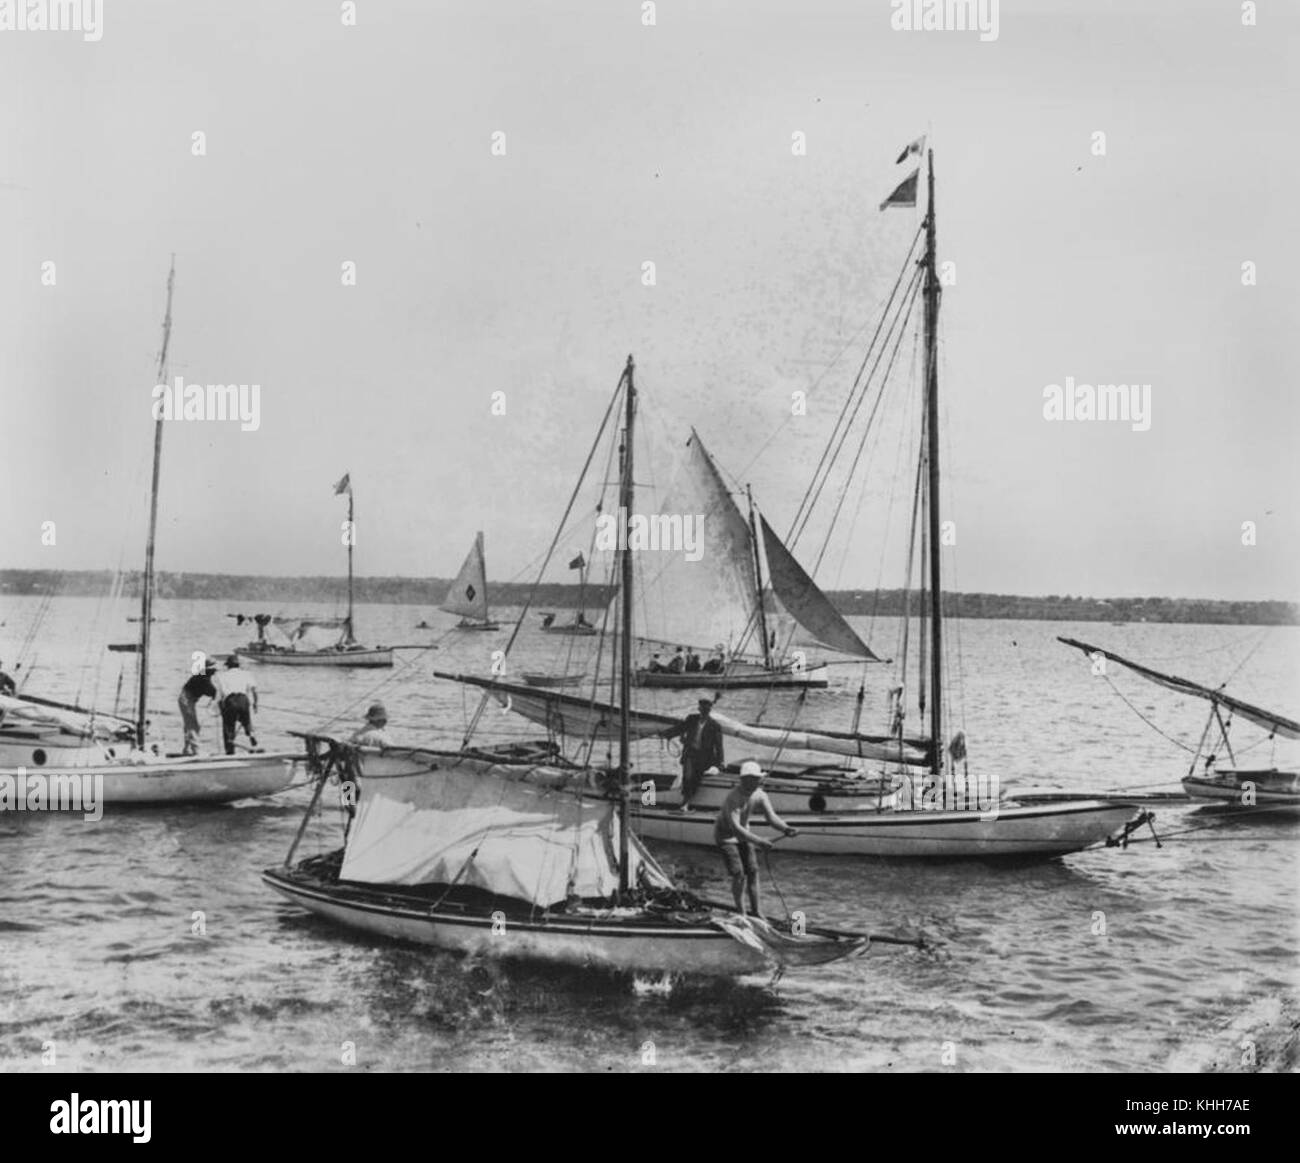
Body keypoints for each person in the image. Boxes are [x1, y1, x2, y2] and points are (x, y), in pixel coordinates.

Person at [713, 760, 798, 916]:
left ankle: (757, 912)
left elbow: (771, 817)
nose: (758, 781)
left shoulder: (760, 795)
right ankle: (742, 913)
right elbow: (736, 828)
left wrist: (786, 828)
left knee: (753, 872)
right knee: (739, 874)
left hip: (744, 836)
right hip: (726, 837)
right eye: (754, 778)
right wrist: (759, 841)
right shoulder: (734, 797)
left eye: (759, 778)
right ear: (745, 779)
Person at [663, 698, 724, 812]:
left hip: (704, 758)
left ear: (709, 709)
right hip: (690, 753)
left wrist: (721, 762)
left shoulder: (714, 726)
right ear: (699, 708)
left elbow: (719, 745)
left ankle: (687, 801)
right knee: (688, 776)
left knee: (695, 778)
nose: (704, 710)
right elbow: (680, 728)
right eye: (702, 707)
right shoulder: (692, 719)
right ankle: (685, 802)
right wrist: (667, 734)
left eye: (707, 708)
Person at [214, 655, 259, 755]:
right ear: (238, 665)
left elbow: (219, 695)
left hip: (230, 701)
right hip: (243, 699)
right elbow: (254, 690)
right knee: (246, 721)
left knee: (228, 727)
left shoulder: (221, 676)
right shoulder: (247, 674)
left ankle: (230, 751)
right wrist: (255, 703)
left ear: (228, 666)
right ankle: (251, 734)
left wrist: (218, 707)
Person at [178, 656, 218, 755]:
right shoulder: (203, 677)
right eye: (214, 669)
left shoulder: (203, 675)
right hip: (186, 699)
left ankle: (187, 749)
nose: (215, 672)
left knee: (189, 725)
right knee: (192, 725)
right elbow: (211, 690)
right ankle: (196, 750)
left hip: (187, 699)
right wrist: (218, 695)